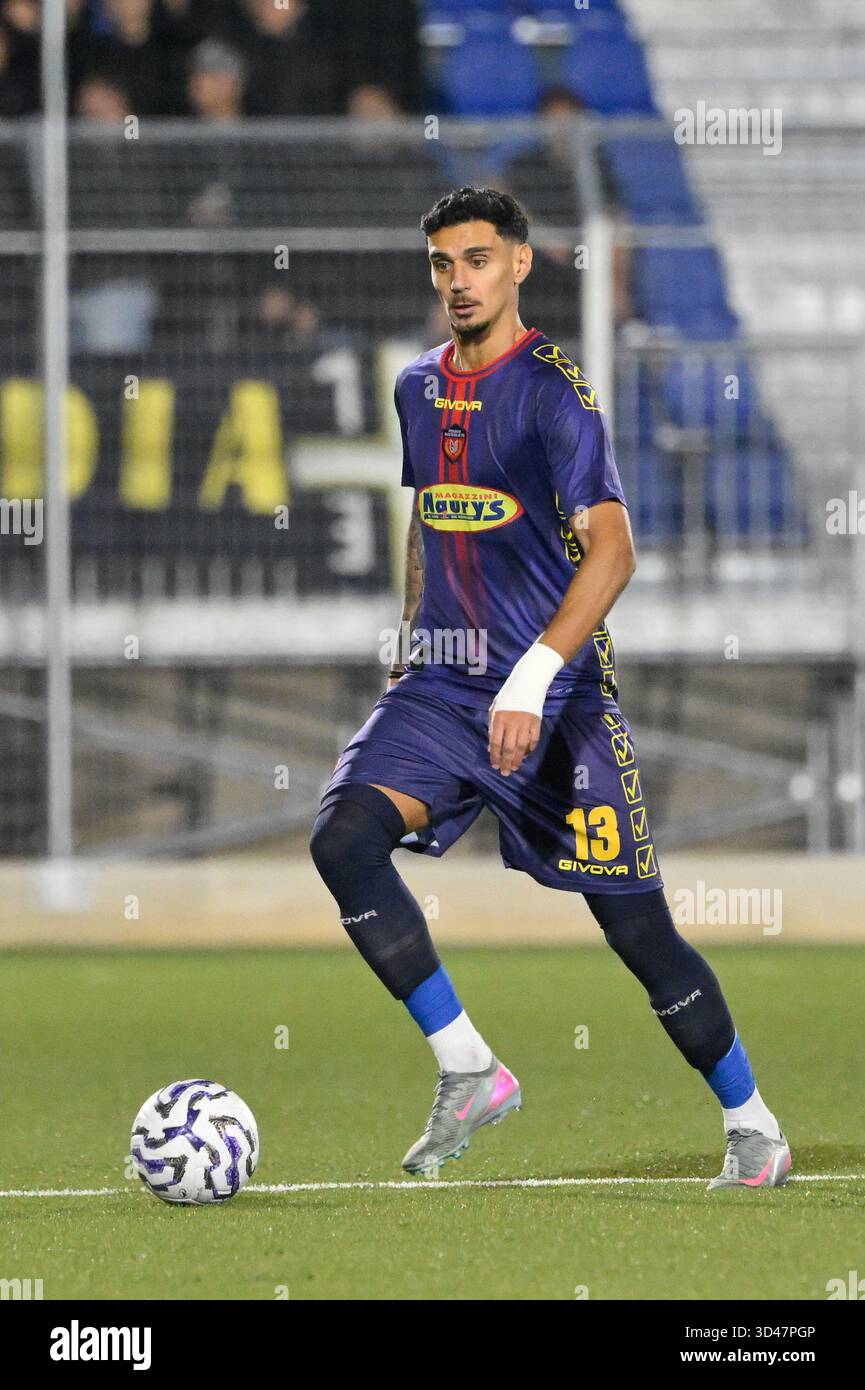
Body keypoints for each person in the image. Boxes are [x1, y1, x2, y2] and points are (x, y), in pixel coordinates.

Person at [310, 186, 791, 1191]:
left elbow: (613, 552)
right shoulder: (415, 389)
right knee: (342, 838)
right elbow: (426, 521)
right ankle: (467, 1065)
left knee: (639, 932)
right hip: (441, 689)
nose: (457, 281)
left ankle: (751, 1123)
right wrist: (409, 646)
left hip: (558, 702)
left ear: (520, 264)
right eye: (441, 263)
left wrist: (532, 677)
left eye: (477, 259)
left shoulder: (553, 393)